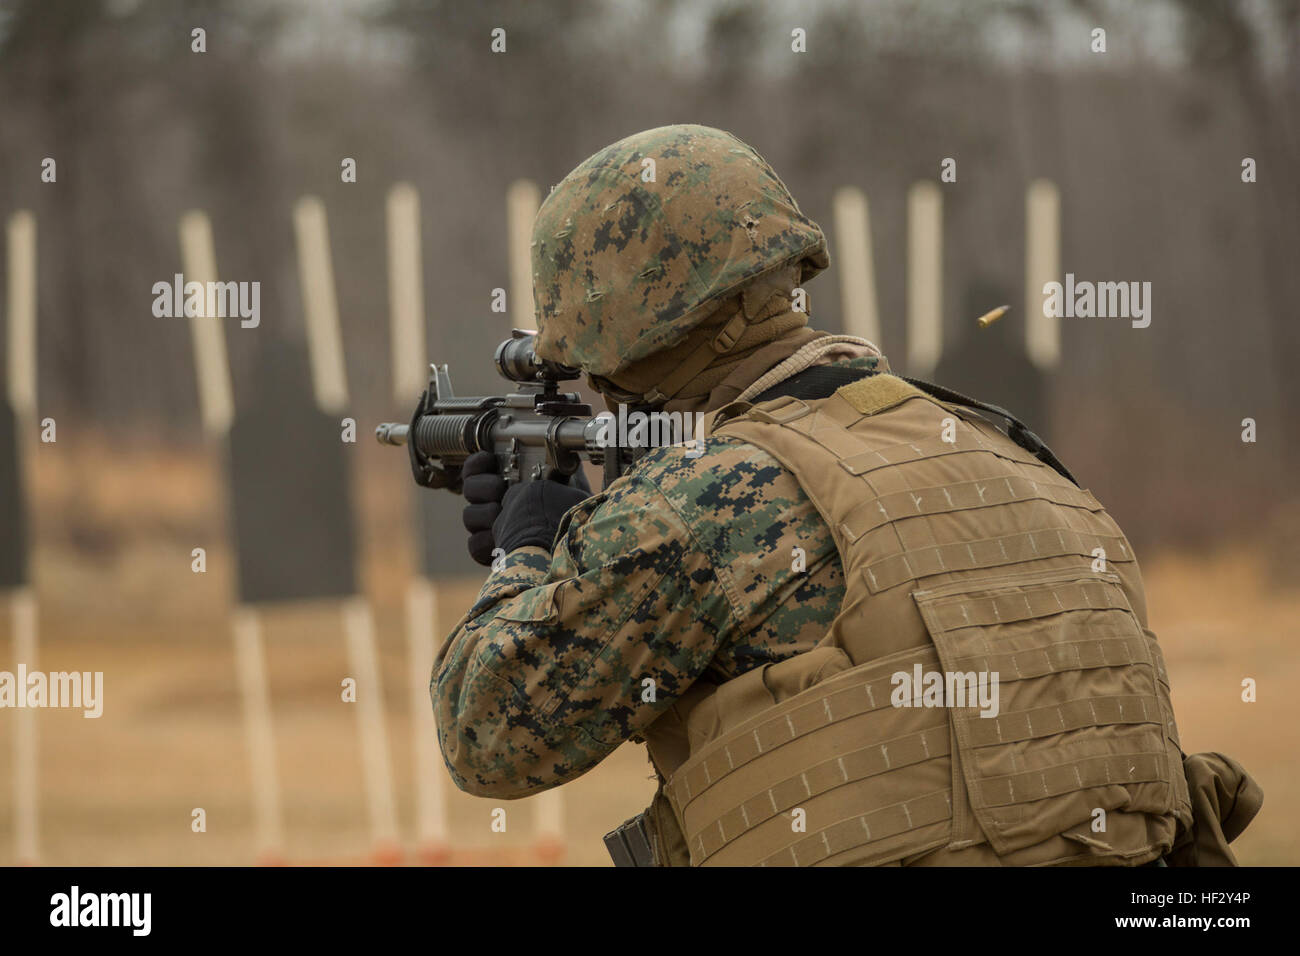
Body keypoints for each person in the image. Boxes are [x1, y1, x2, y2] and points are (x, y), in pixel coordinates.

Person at [434, 124, 1259, 866]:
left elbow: (489, 734)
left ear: (630, 337)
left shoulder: (697, 505)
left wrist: (527, 552)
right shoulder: (1022, 457)